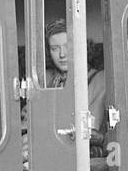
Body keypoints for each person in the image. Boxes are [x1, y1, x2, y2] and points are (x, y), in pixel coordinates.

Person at [44, 19, 108, 155]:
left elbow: (89, 130)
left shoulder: (100, 80)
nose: (62, 54)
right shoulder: (46, 79)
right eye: (55, 48)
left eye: (68, 46)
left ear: (80, 46)